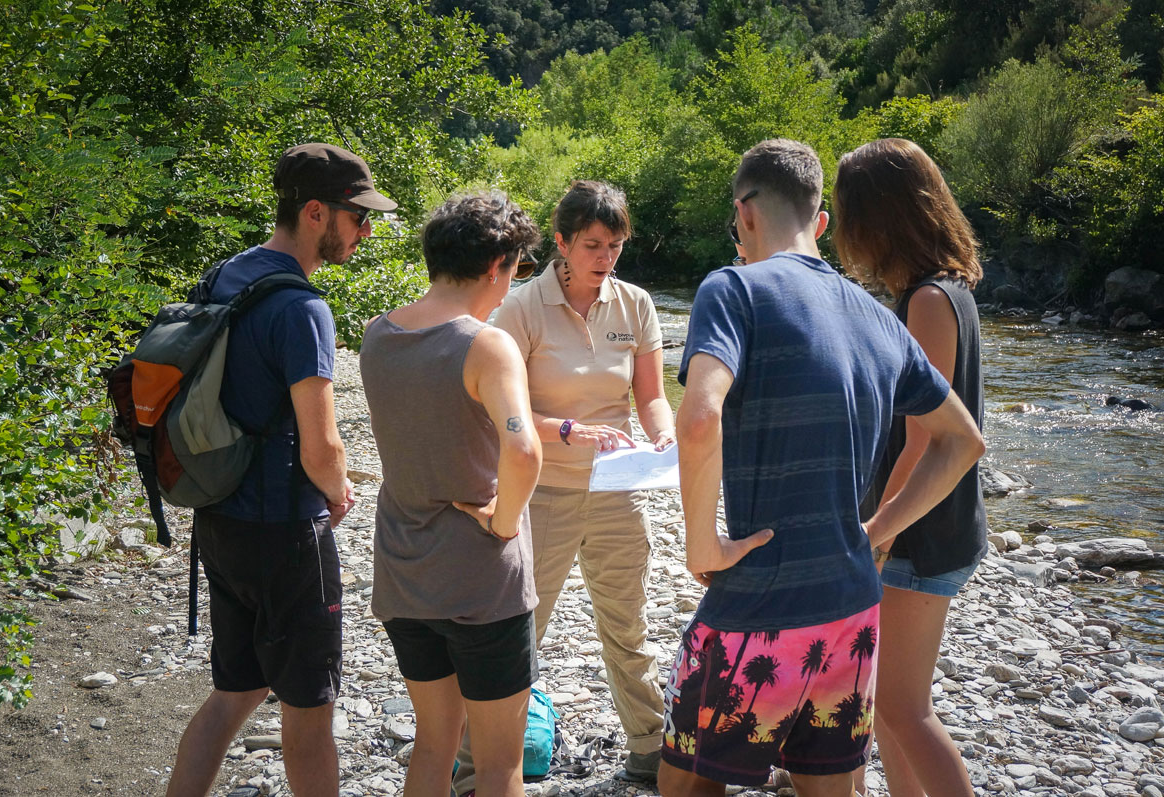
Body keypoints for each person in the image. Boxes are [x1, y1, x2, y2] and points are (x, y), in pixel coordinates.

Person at [658, 138, 986, 797]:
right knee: (832, 786)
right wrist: (878, 530)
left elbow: (698, 418)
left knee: (686, 779)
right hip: (851, 605)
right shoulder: (880, 317)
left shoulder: (732, 289)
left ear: (744, 214)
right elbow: (962, 441)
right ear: (822, 222)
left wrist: (701, 543)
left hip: (759, 601)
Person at [166, 142, 394, 797]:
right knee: (310, 706)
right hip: (284, 532)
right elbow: (321, 448)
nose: (366, 230)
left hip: (219, 517)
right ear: (316, 212)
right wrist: (340, 490)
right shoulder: (302, 308)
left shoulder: (226, 275)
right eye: (357, 216)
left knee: (234, 691)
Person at [450, 179, 674, 796]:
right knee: (521, 632)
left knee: (628, 627)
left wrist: (663, 439)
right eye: (594, 244)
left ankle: (651, 751)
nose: (606, 257)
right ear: (561, 243)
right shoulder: (520, 308)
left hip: (617, 493)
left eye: (617, 245)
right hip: (539, 492)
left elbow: (651, 396)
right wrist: (571, 430)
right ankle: (476, 770)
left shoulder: (637, 305)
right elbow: (503, 410)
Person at [359, 191, 543, 797]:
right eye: (515, 270)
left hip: (404, 572)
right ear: (498, 266)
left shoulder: (377, 335)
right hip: (480, 582)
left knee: (434, 742)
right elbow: (523, 449)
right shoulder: (486, 344)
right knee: (497, 766)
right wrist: (504, 523)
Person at [835, 138, 987, 797]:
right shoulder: (943, 293)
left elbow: (929, 439)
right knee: (888, 708)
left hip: (922, 533)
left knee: (904, 707)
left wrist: (881, 530)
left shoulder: (929, 301)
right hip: (926, 525)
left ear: (880, 217)